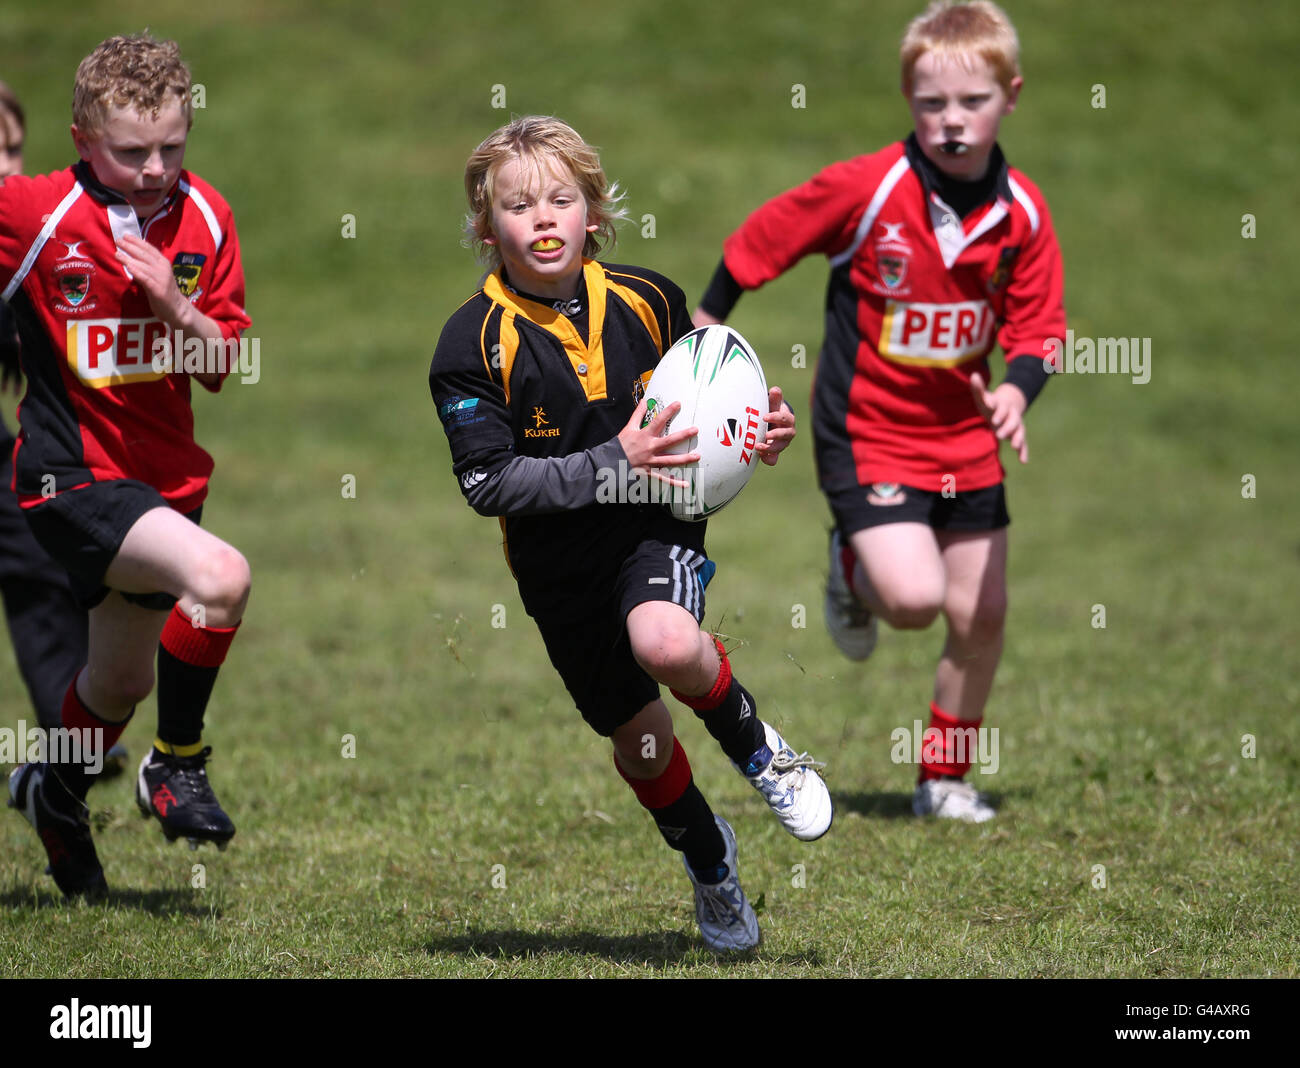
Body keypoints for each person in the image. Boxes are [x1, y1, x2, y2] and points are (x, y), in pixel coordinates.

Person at [429, 115, 832, 952]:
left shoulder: (649, 299)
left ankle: (763, 752)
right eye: (518, 206)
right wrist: (615, 457)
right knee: (645, 749)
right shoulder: (469, 342)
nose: (542, 219)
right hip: (557, 572)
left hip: (657, 530)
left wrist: (762, 428)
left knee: (665, 641)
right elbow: (491, 482)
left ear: (592, 212)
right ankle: (712, 864)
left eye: (561, 200)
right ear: (486, 224)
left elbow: (714, 404)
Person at [695, 0, 1066, 822]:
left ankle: (943, 779)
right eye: (932, 104)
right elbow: (772, 232)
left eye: (972, 102)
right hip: (869, 432)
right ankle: (852, 564)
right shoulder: (873, 188)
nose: (951, 121)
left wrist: (1016, 390)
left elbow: (1042, 325)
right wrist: (713, 314)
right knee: (911, 601)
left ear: (1012, 94)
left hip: (965, 438)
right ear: (909, 101)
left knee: (982, 611)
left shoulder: (1025, 214)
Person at [1, 34, 252, 899]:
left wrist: (175, 304)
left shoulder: (207, 218)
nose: (153, 168)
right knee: (220, 579)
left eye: (171, 148)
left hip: (165, 486)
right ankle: (174, 766)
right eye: (130, 151)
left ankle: (54, 798)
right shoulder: (34, 215)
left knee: (117, 681)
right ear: (80, 138)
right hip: (66, 477)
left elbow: (229, 364)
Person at [0, 80, 129, 782]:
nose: (5, 165)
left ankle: (76, 742)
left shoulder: (24, 233)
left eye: (13, 148)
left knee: (40, 568)